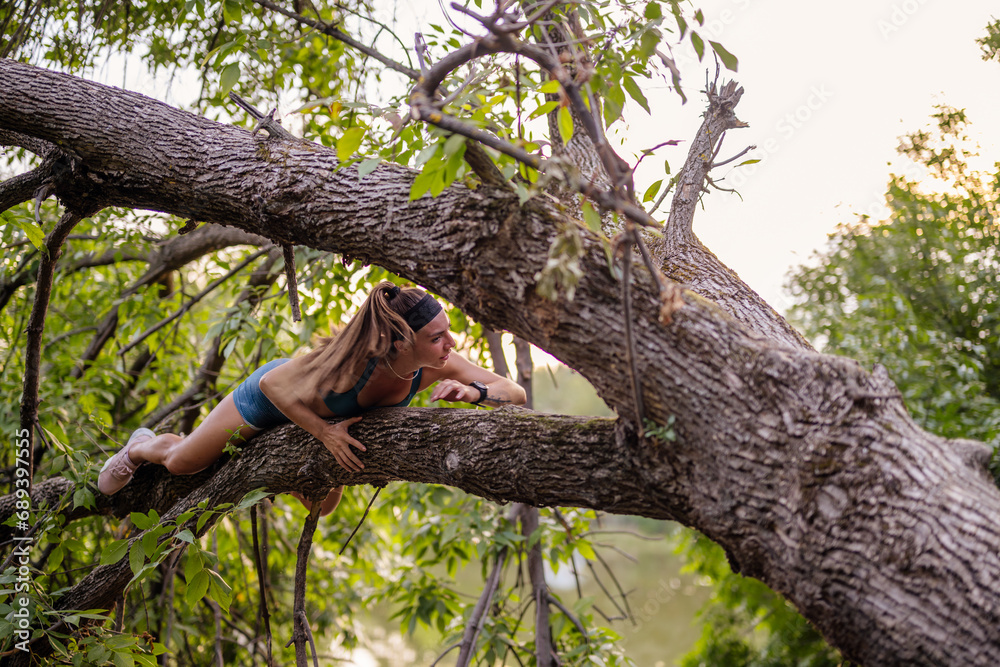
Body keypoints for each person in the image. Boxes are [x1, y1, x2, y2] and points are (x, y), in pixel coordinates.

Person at [98, 281, 526, 514]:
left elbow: (516, 393)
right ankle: (140, 447)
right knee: (184, 463)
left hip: (308, 421)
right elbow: (272, 386)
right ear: (399, 342)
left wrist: (475, 391)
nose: (452, 342)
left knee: (321, 507)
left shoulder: (437, 364)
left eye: (448, 331)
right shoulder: (350, 363)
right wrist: (325, 433)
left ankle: (267, 469)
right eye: (438, 336)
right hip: (272, 400)